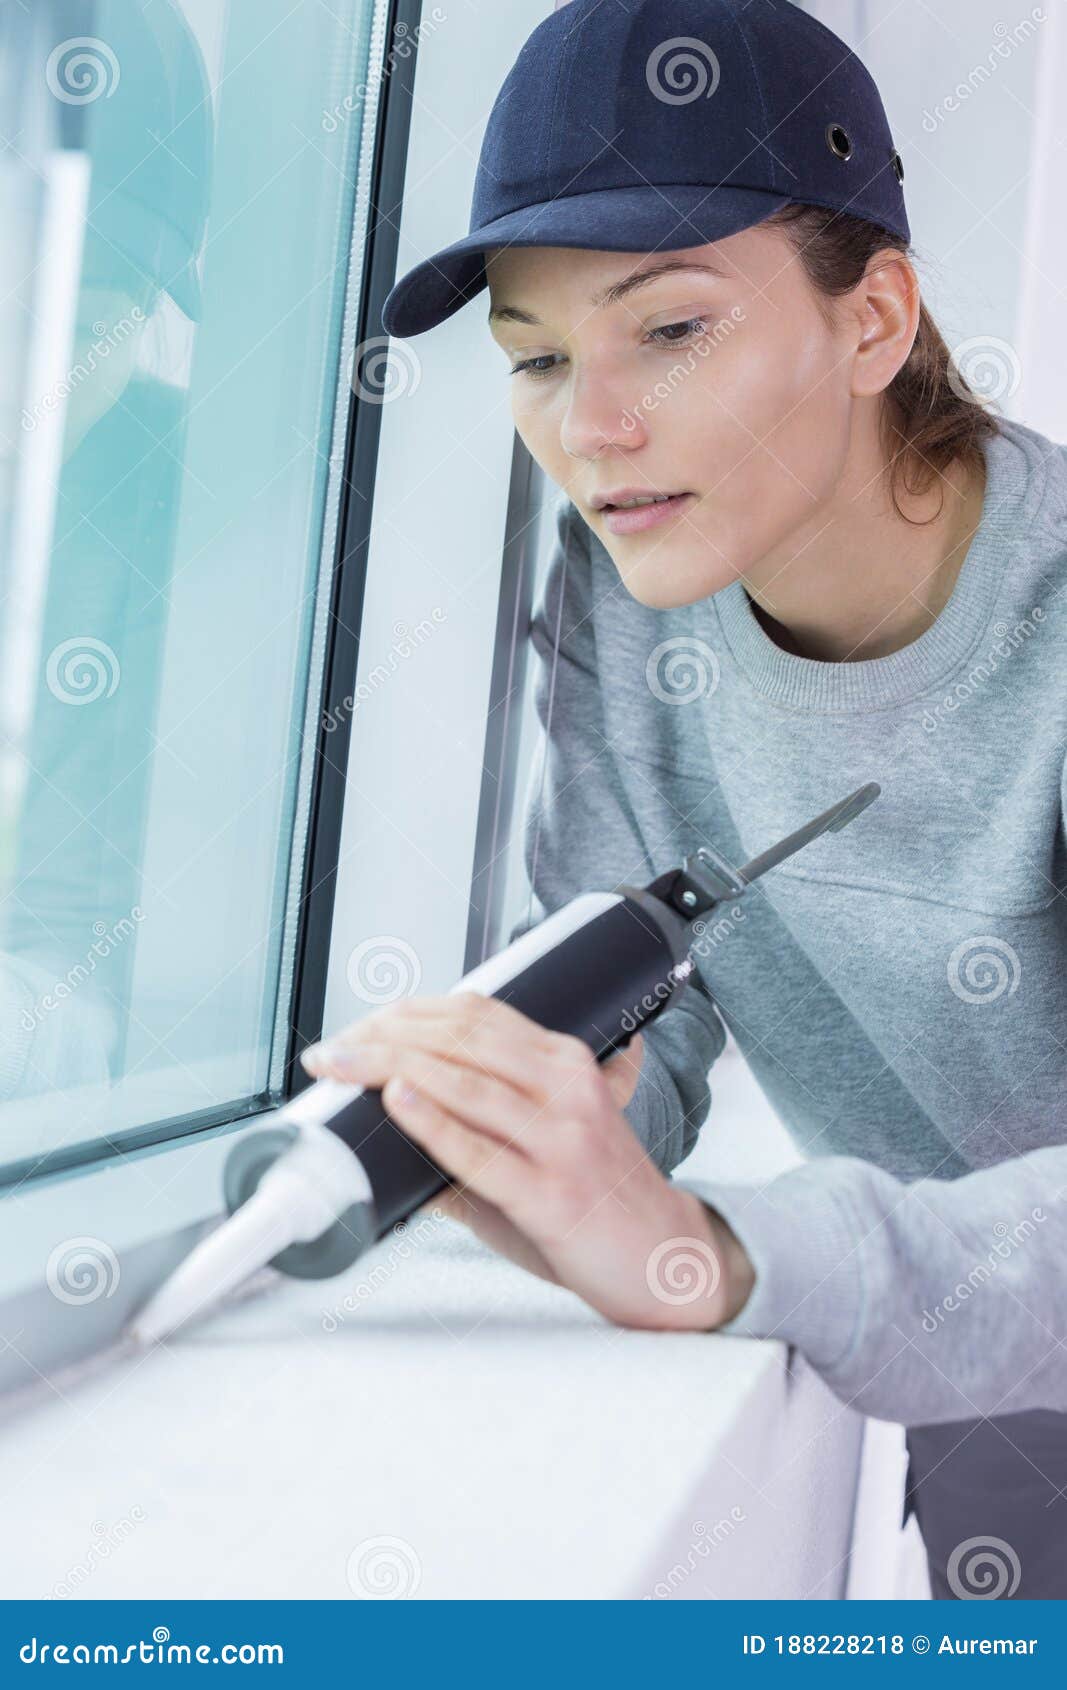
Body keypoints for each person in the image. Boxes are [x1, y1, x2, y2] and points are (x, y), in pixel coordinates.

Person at [302, 0, 1067, 1599]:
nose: (592, 431)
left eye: (670, 329)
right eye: (538, 356)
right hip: (995, 1397)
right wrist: (505, 1133)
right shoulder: (633, 588)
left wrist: (712, 1255)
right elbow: (647, 998)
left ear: (874, 324)